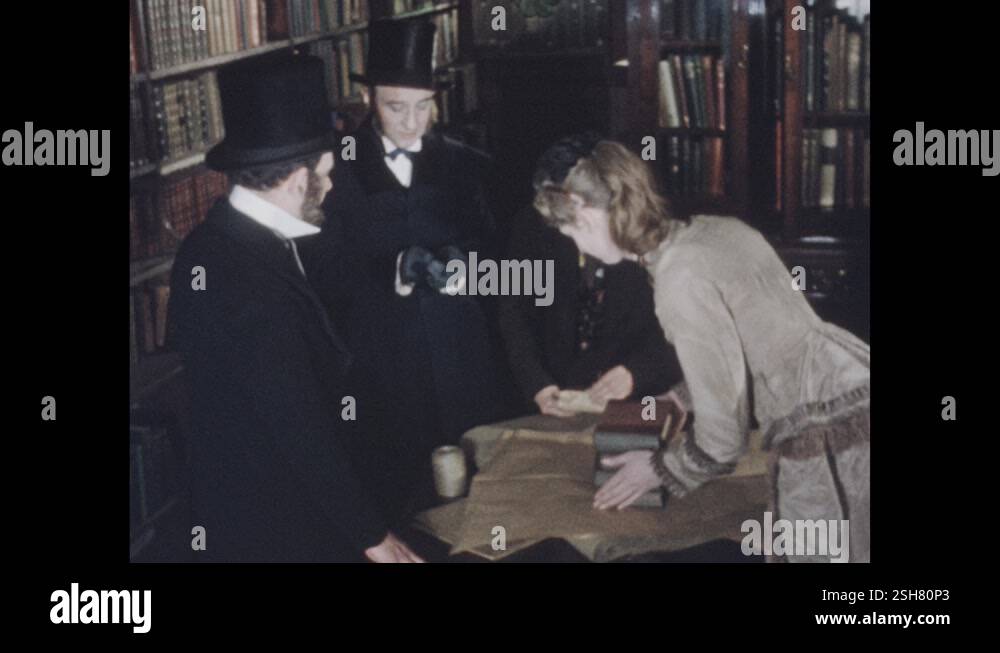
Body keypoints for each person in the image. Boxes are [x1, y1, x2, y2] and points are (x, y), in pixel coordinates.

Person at [531, 136, 870, 562]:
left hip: (821, 425)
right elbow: (758, 340)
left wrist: (657, 469)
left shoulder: (678, 281)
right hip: (850, 383)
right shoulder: (712, 230)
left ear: (589, 209)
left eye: (573, 230)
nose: (578, 247)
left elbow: (722, 442)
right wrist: (681, 396)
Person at [166, 54, 422, 563]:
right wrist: (372, 535)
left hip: (280, 501)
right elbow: (298, 425)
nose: (331, 187)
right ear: (295, 181)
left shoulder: (220, 240)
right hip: (271, 526)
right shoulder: (242, 282)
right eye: (325, 174)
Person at [301, 19, 505, 522]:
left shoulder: (466, 163)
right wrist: (394, 269)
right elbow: (321, 271)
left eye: (423, 106)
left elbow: (497, 257)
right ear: (370, 99)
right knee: (399, 488)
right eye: (396, 107)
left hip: (462, 356)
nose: (412, 123)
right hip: (382, 360)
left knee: (476, 485)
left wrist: (468, 264)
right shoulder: (336, 172)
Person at [499, 199, 684, 416]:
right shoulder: (533, 223)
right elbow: (514, 314)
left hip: (634, 404)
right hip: (549, 398)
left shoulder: (648, 230)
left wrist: (636, 373)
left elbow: (683, 335)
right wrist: (537, 384)